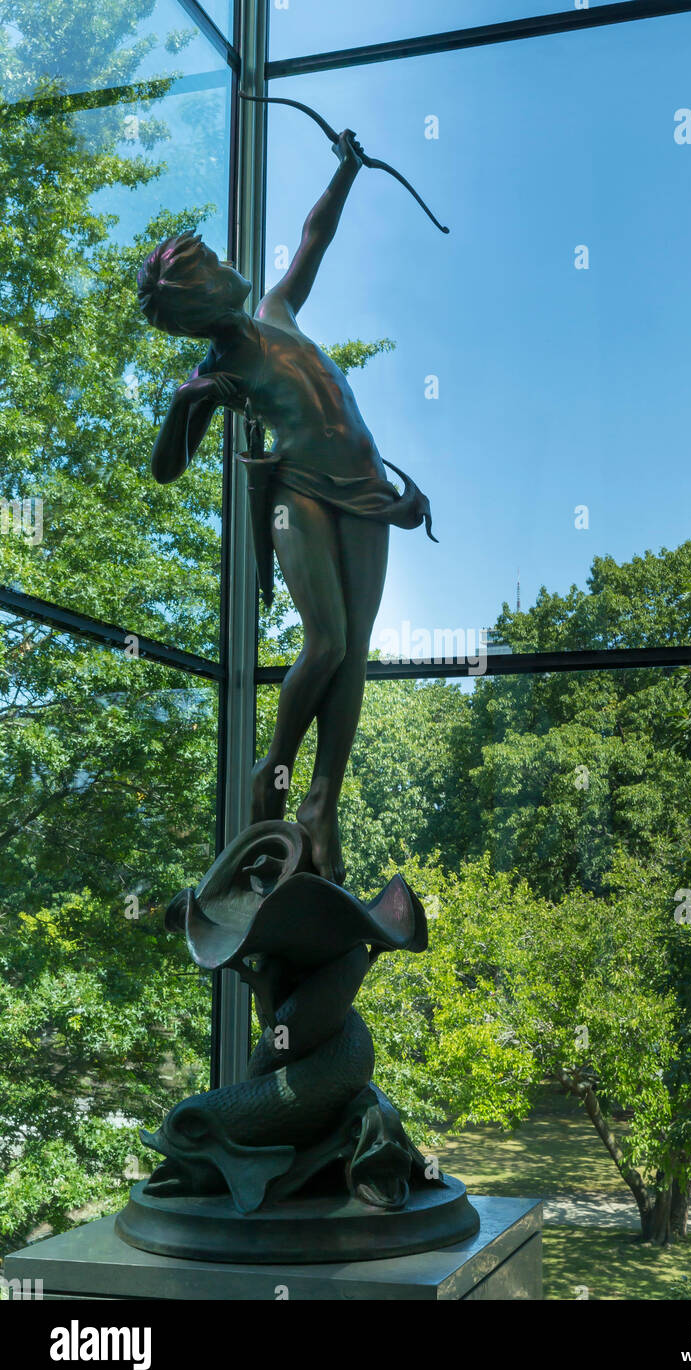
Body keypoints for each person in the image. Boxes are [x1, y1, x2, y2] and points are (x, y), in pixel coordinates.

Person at [138, 130, 435, 884]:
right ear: (199, 298)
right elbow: (166, 468)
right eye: (214, 268)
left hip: (368, 491)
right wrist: (188, 402)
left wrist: (346, 172)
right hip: (297, 495)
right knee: (327, 642)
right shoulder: (216, 368)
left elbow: (314, 239)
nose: (234, 268)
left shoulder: (278, 311)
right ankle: (272, 773)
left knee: (354, 650)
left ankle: (322, 804)